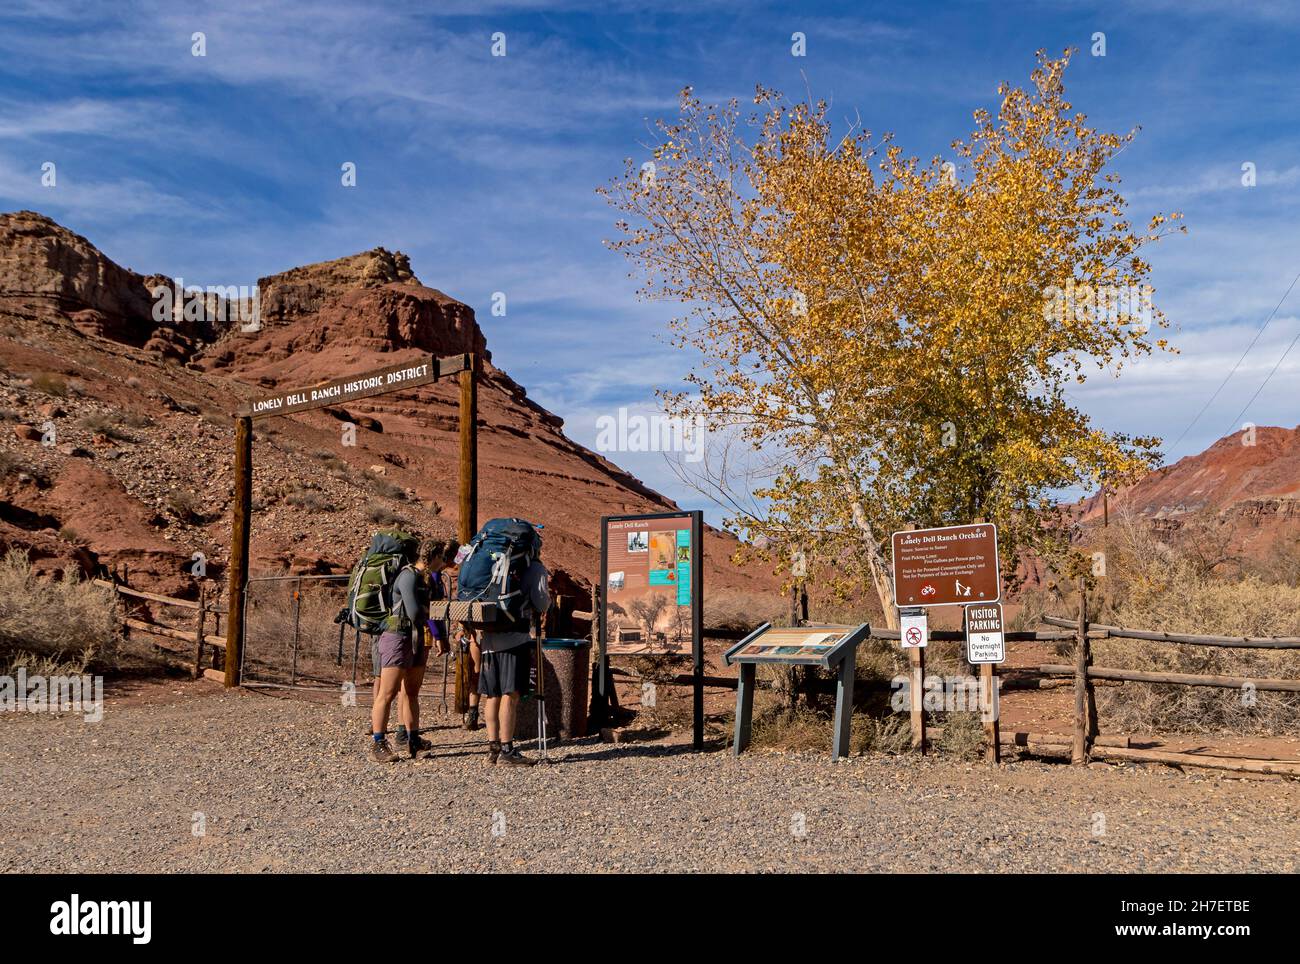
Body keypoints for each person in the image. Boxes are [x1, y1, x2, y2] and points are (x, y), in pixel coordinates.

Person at [465, 554, 549, 766]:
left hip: (487, 638)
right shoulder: (534, 567)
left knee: (492, 695)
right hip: (514, 639)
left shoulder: (487, 561)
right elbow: (541, 603)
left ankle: (493, 748)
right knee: (510, 694)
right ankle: (507, 749)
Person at [368, 537, 439, 763]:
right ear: (434, 557)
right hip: (397, 637)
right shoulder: (408, 576)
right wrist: (432, 611)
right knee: (387, 693)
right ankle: (378, 742)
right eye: (442, 558)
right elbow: (415, 613)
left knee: (411, 692)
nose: (445, 563)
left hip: (415, 638)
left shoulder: (425, 579)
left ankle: (413, 740)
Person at [392, 538, 459, 758]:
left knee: (407, 689)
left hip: (419, 633)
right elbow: (427, 611)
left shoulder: (425, 575)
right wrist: (439, 634)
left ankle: (407, 733)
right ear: (437, 556)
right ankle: (403, 733)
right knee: (406, 688)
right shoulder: (423, 576)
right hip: (414, 634)